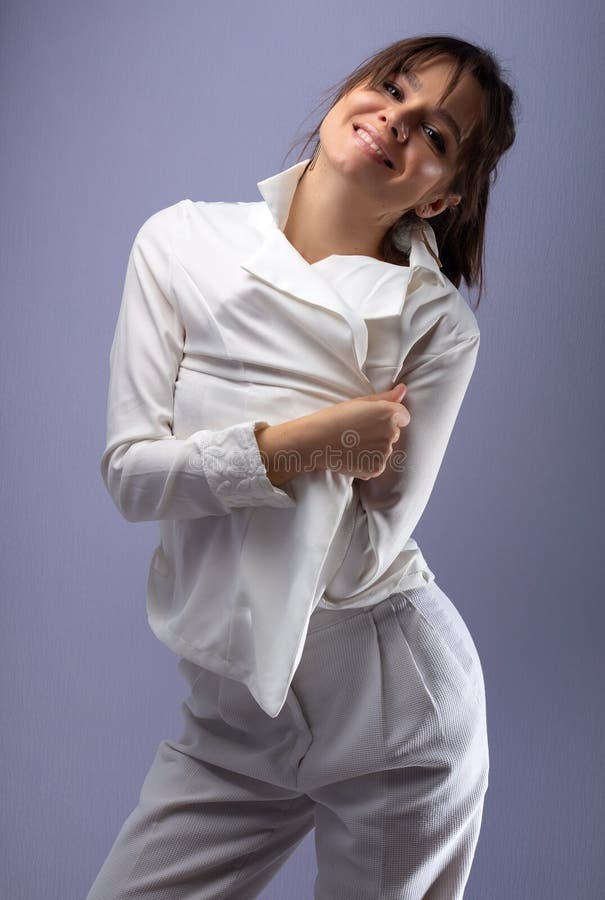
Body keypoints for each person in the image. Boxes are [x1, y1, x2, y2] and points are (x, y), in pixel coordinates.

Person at [86, 33, 517, 900]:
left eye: (436, 135)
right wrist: (316, 443)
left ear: (443, 197)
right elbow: (133, 475)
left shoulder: (435, 328)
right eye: (392, 87)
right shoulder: (181, 244)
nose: (396, 121)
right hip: (235, 720)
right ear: (350, 90)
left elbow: (358, 562)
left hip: (393, 719)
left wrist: (255, 455)